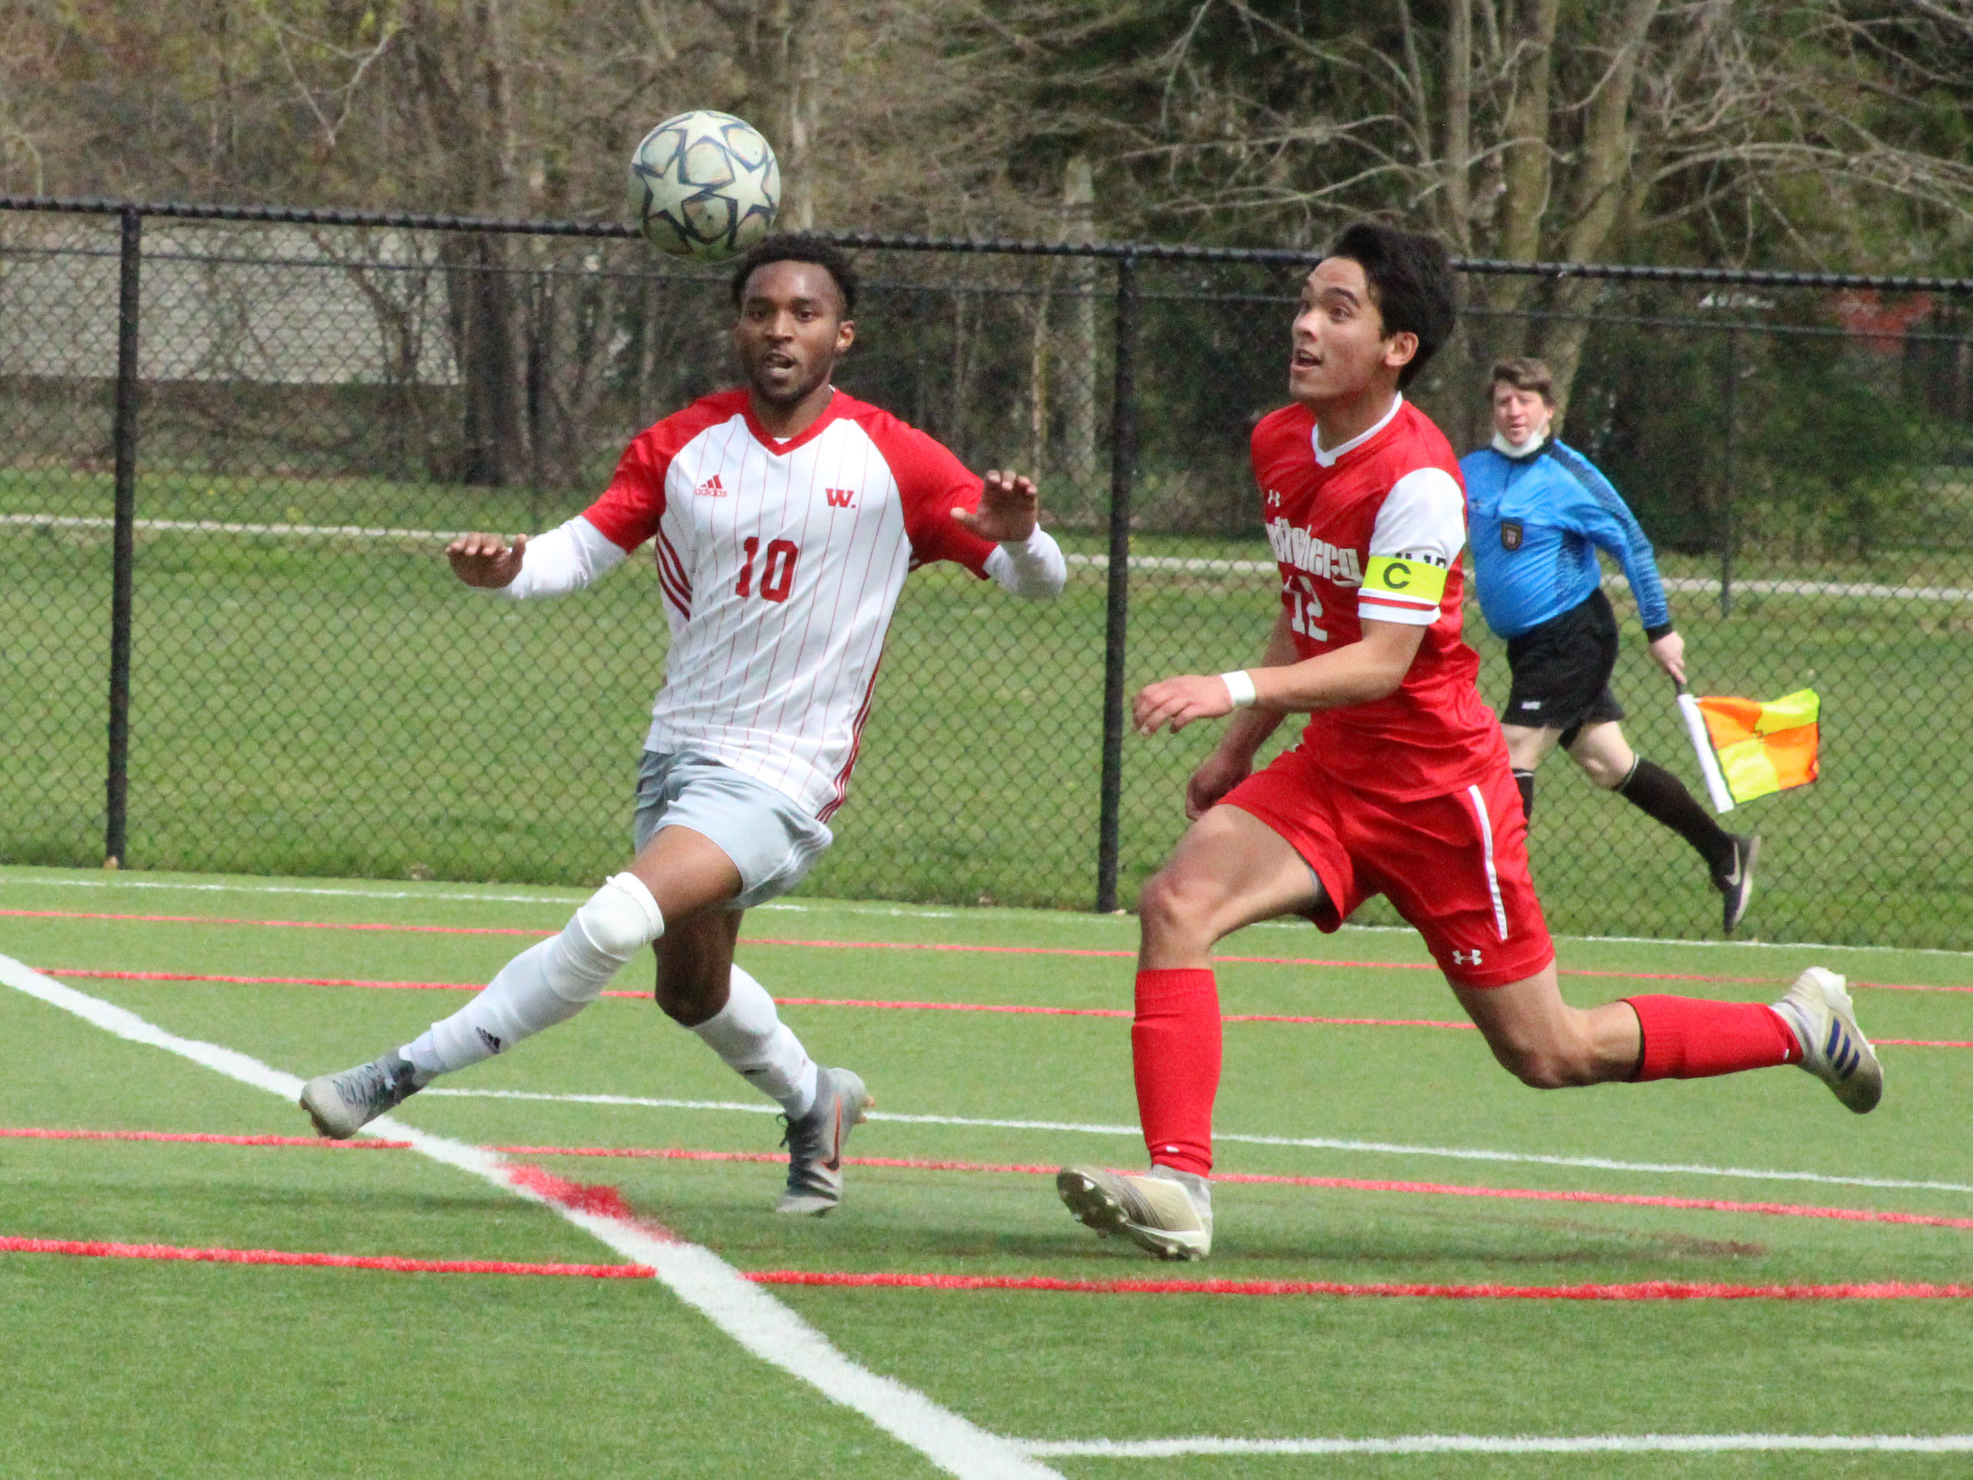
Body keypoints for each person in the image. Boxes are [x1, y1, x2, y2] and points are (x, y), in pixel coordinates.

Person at [1055, 223, 1880, 1264]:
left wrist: (1226, 692)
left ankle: (1797, 1024)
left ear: (1397, 346)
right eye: (1305, 302)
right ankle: (1180, 1189)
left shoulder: (1418, 481)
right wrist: (1242, 748)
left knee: (1548, 1051)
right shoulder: (1278, 441)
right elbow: (1306, 610)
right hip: (1329, 775)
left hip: (1440, 797)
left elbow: (1380, 661)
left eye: (1337, 309)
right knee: (1176, 904)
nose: (1305, 324)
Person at [302, 231, 1067, 1215]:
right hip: (678, 760)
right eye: (761, 312)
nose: (779, 329)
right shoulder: (681, 445)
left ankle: (389, 1079)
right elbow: (573, 553)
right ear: (736, 327)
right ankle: (815, 1102)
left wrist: (1026, 536)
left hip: (785, 776)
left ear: (844, 334)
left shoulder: (897, 459)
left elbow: (1034, 583)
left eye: (803, 313)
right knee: (690, 995)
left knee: (614, 917)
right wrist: (504, 571)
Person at [1462, 358, 1758, 934]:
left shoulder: (1569, 475)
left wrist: (1659, 629)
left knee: (1511, 751)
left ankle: (1502, 904)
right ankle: (1725, 853)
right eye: (1504, 401)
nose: (1514, 411)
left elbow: (1634, 546)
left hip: (1574, 636)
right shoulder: (1470, 470)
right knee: (1608, 763)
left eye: (1526, 401)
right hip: (1528, 647)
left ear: (1549, 409)